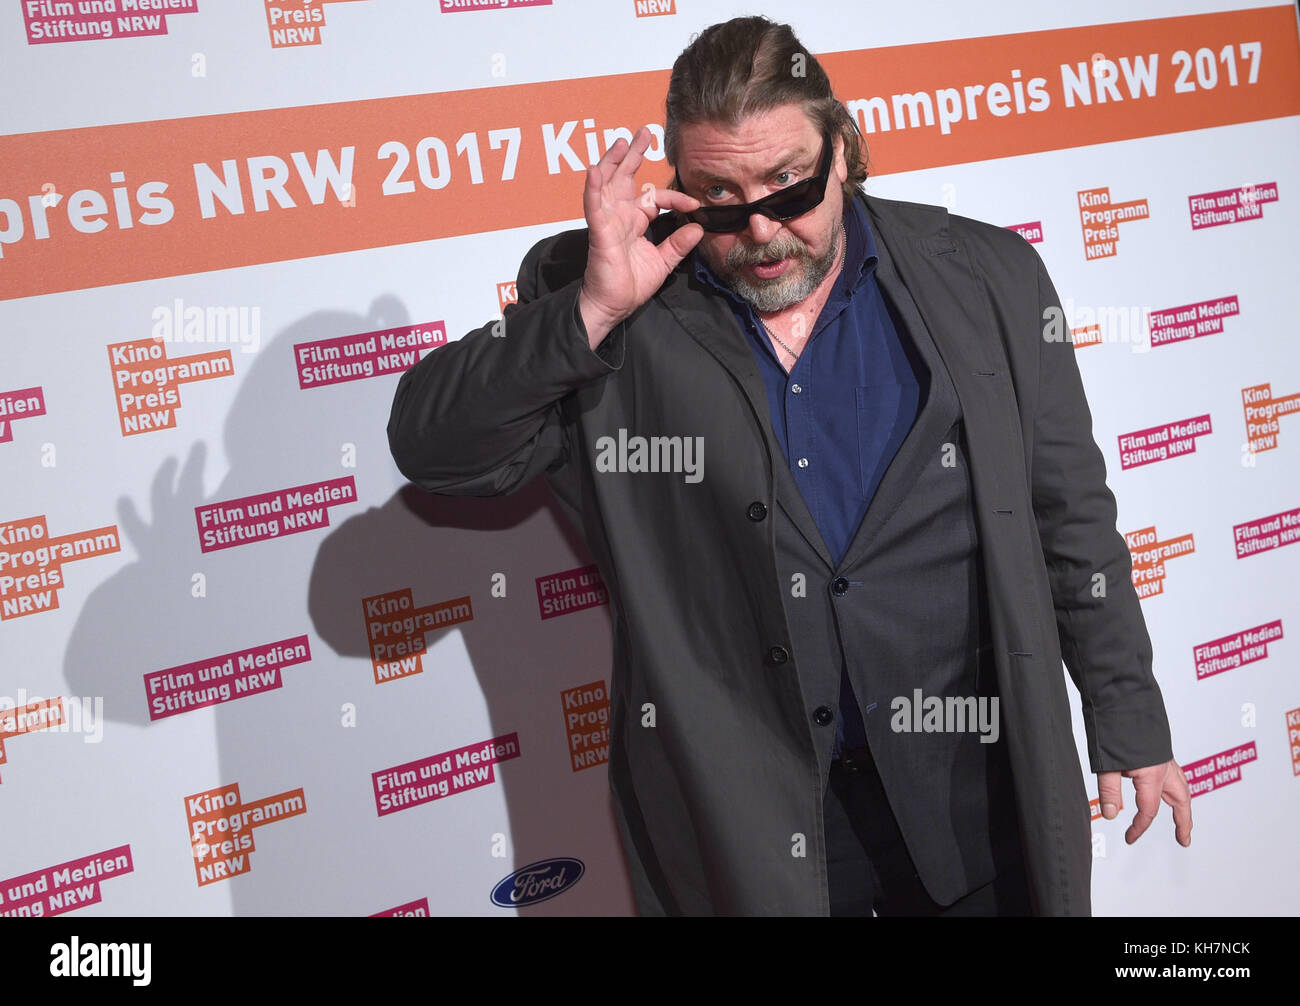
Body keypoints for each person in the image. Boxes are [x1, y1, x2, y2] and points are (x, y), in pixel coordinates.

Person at [387, 15, 1192, 916]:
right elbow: (433, 449)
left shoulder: (988, 278)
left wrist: (1126, 713)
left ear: (843, 149)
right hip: (757, 831)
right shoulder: (616, 305)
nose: (761, 231)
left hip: (978, 796)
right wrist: (591, 312)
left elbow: (1070, 515)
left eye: (788, 187)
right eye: (720, 200)